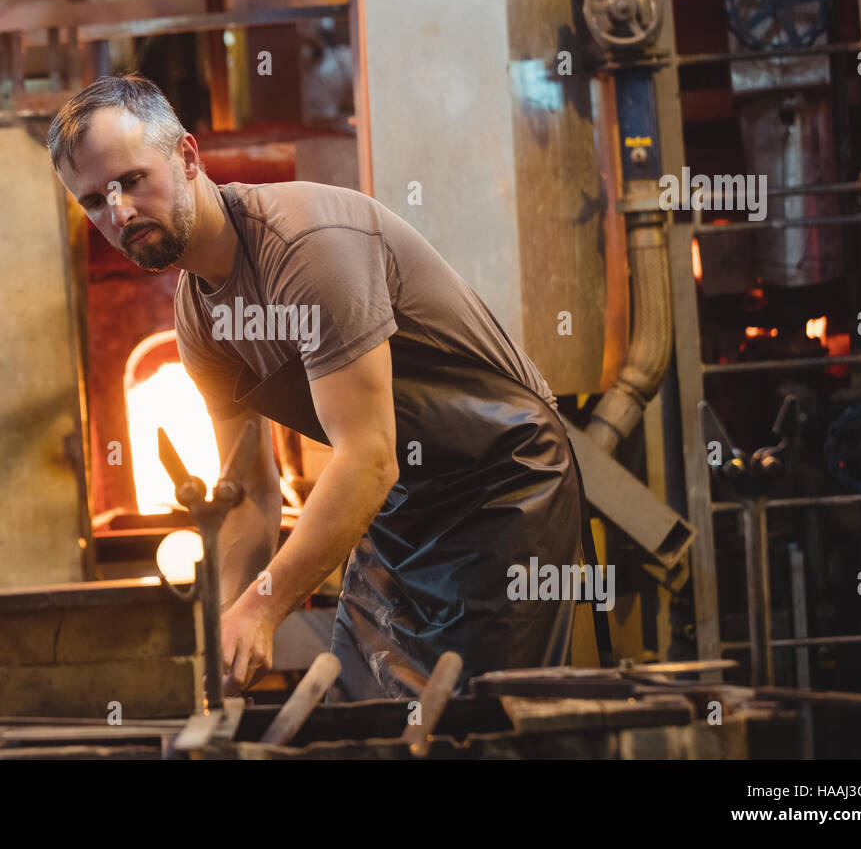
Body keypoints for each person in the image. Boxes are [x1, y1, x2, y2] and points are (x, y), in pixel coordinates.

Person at [48, 72, 587, 702]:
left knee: (470, 728)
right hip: (402, 505)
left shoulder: (305, 247)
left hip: (502, 483)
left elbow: (368, 456)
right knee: (361, 712)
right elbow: (249, 490)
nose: (119, 213)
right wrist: (224, 625)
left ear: (188, 156)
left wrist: (264, 608)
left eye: (132, 181)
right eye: (92, 200)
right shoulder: (199, 318)